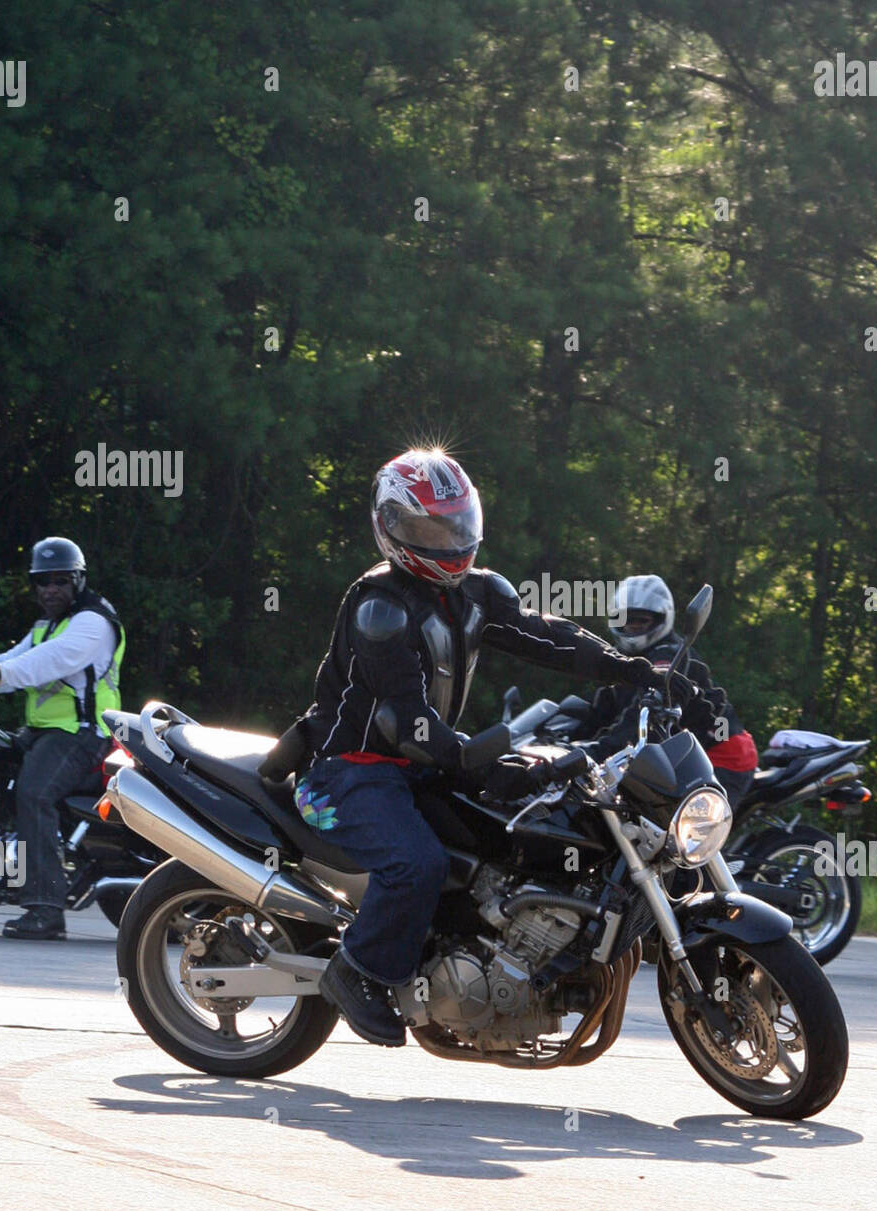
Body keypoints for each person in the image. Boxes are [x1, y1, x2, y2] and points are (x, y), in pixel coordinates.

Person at [270, 449, 698, 1047]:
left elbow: (551, 638)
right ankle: (357, 970)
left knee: (519, 829)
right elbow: (407, 722)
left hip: (421, 768)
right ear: (391, 526)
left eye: (455, 525)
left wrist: (635, 671)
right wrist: (475, 759)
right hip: (350, 771)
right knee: (417, 863)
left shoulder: (475, 593)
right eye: (428, 529)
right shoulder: (379, 609)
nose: (447, 542)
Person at [0, 537, 125, 940]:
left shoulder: (93, 621)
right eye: (41, 582)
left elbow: (41, 665)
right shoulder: (48, 625)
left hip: (84, 736)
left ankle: (45, 907)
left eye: (60, 581)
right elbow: (5, 665)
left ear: (78, 580)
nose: (49, 590)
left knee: (33, 793)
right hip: (45, 735)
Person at [579, 574, 758, 808]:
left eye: (640, 621)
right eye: (625, 621)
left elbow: (639, 718)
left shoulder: (668, 659)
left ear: (661, 618)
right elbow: (603, 709)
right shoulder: (626, 662)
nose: (631, 627)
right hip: (678, 755)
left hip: (722, 755)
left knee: (682, 830)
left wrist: (595, 752)